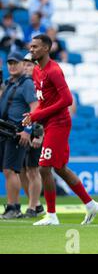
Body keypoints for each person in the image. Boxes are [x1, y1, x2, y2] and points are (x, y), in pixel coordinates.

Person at [23, 34, 98, 225]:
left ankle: (51, 215)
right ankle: (91, 204)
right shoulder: (37, 71)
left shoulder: (54, 71)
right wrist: (33, 116)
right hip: (49, 123)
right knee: (60, 169)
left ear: (46, 49)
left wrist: (37, 115)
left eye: (35, 47)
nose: (31, 49)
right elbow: (43, 102)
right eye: (30, 46)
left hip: (59, 123)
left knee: (44, 167)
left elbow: (67, 100)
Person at [0, 51, 38, 219]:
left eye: (15, 63)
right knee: (8, 170)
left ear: (23, 64)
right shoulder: (9, 82)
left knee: (11, 170)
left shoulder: (27, 83)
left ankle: (13, 207)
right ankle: (12, 206)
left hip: (17, 132)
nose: (12, 66)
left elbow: (35, 107)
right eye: (10, 63)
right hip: (6, 131)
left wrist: (27, 130)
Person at [18, 53, 45, 218]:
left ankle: (32, 207)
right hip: (21, 131)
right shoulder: (21, 84)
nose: (27, 67)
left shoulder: (40, 84)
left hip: (34, 130)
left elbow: (43, 110)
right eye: (25, 64)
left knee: (33, 170)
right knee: (20, 169)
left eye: (30, 65)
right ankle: (36, 204)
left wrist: (39, 133)